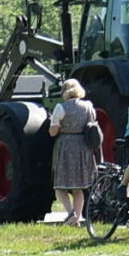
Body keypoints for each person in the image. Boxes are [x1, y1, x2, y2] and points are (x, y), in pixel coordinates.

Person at [48, 77, 99, 226]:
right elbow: (92, 124)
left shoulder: (60, 108)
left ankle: (71, 214)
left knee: (59, 186)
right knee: (78, 188)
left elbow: (53, 132)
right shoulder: (88, 106)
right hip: (83, 147)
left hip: (66, 147)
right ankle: (76, 220)